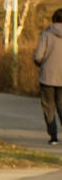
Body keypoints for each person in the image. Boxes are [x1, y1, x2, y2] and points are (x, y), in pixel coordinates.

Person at [33, 8, 62, 145]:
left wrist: (39, 63)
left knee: (48, 107)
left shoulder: (46, 35)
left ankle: (53, 136)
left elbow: (38, 56)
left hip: (48, 76)